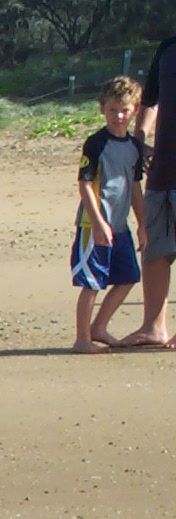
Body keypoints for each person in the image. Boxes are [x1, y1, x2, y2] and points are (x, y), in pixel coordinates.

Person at [71, 76, 148, 353]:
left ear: (135, 110)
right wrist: (99, 222)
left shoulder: (134, 147)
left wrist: (142, 224)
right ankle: (82, 339)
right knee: (92, 283)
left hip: (120, 225)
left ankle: (99, 326)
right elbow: (85, 185)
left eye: (124, 110)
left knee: (128, 277)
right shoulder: (95, 143)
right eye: (113, 109)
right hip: (94, 224)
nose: (118, 116)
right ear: (102, 108)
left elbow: (135, 187)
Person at [124, 32, 176, 348]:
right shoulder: (168, 47)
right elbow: (150, 99)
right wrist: (140, 136)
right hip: (164, 169)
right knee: (155, 251)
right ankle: (153, 327)